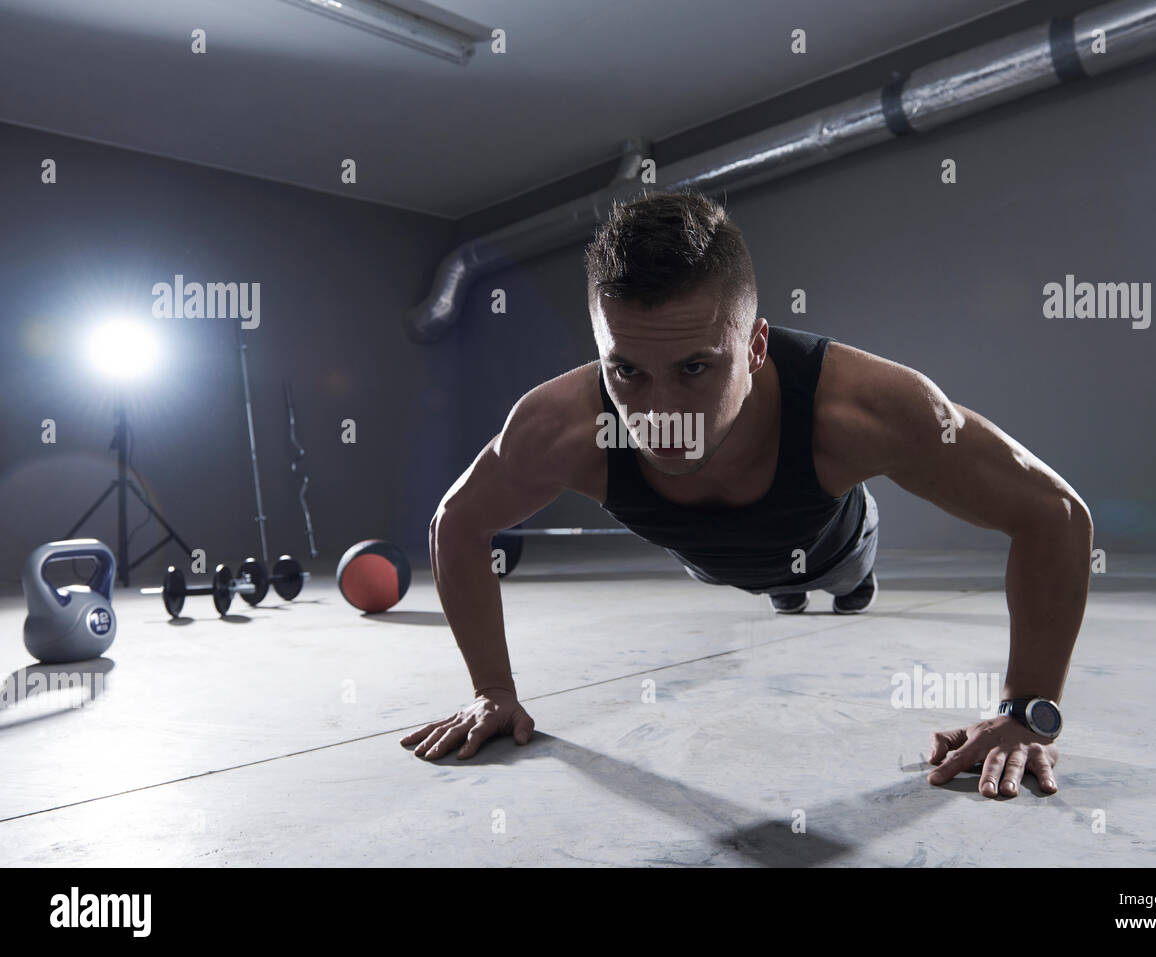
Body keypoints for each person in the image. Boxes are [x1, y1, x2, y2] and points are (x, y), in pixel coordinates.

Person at [403, 189, 1092, 801]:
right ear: (599, 348)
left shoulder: (861, 411)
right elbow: (457, 523)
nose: (659, 410)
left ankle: (842, 586)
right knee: (765, 585)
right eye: (628, 370)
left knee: (844, 580)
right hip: (710, 558)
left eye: (695, 367)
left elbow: (1053, 514)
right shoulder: (560, 427)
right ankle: (781, 590)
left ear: (757, 345)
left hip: (834, 544)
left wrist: (1028, 710)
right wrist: (491, 690)